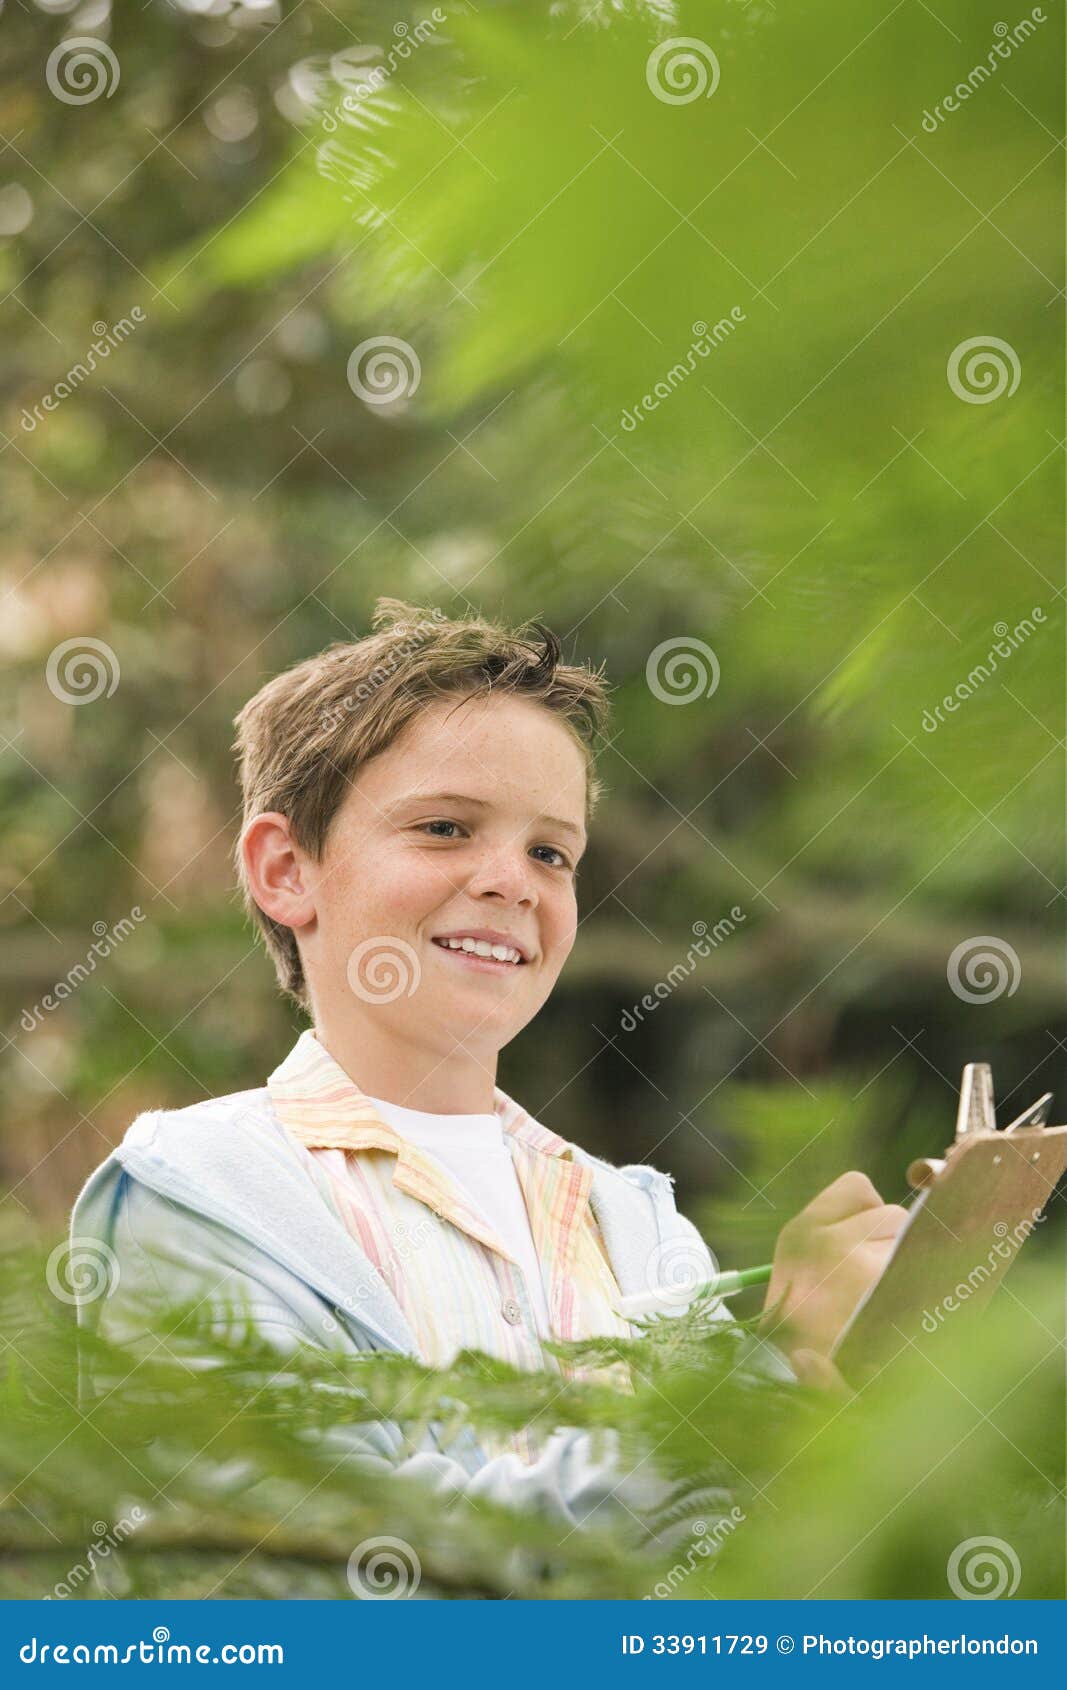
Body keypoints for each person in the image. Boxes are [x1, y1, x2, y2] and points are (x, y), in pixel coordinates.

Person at [70, 598, 907, 1536]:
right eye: (444, 829)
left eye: (551, 851)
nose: (513, 881)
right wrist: (767, 1370)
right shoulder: (200, 1193)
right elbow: (297, 1583)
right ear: (285, 869)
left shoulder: (633, 1220)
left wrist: (858, 1381)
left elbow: (743, 1573)